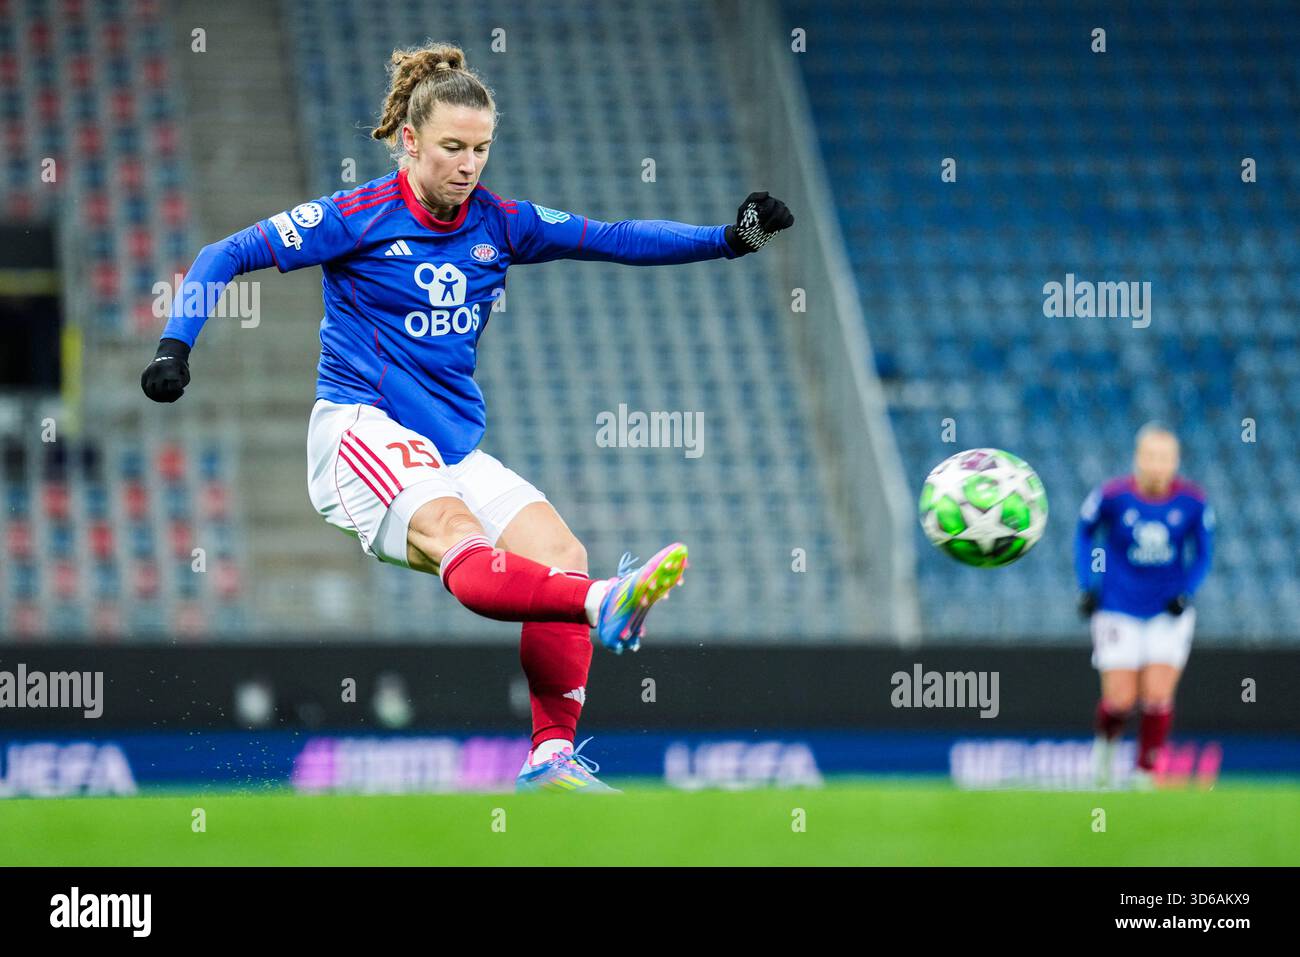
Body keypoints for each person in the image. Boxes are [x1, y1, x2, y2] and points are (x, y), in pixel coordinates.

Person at [140, 41, 793, 793]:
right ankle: (601, 605)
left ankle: (550, 756)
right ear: (409, 141)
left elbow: (612, 237)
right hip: (362, 428)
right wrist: (174, 346)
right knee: (463, 537)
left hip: (451, 443)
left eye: (481, 148)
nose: (469, 164)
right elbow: (225, 252)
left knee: (559, 551)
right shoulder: (354, 217)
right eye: (452, 147)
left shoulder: (501, 224)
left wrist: (726, 240)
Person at [1075, 423, 1214, 789]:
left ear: (1175, 462)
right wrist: (1088, 583)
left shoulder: (1193, 501)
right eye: (1151, 456)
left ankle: (1144, 774)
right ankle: (1104, 751)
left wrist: (1187, 590)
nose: (1157, 465)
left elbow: (1203, 552)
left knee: (1156, 695)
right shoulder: (1112, 496)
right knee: (1119, 699)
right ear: (1138, 459)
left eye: (1165, 458)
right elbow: (1085, 532)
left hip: (1166, 610)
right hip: (1118, 604)